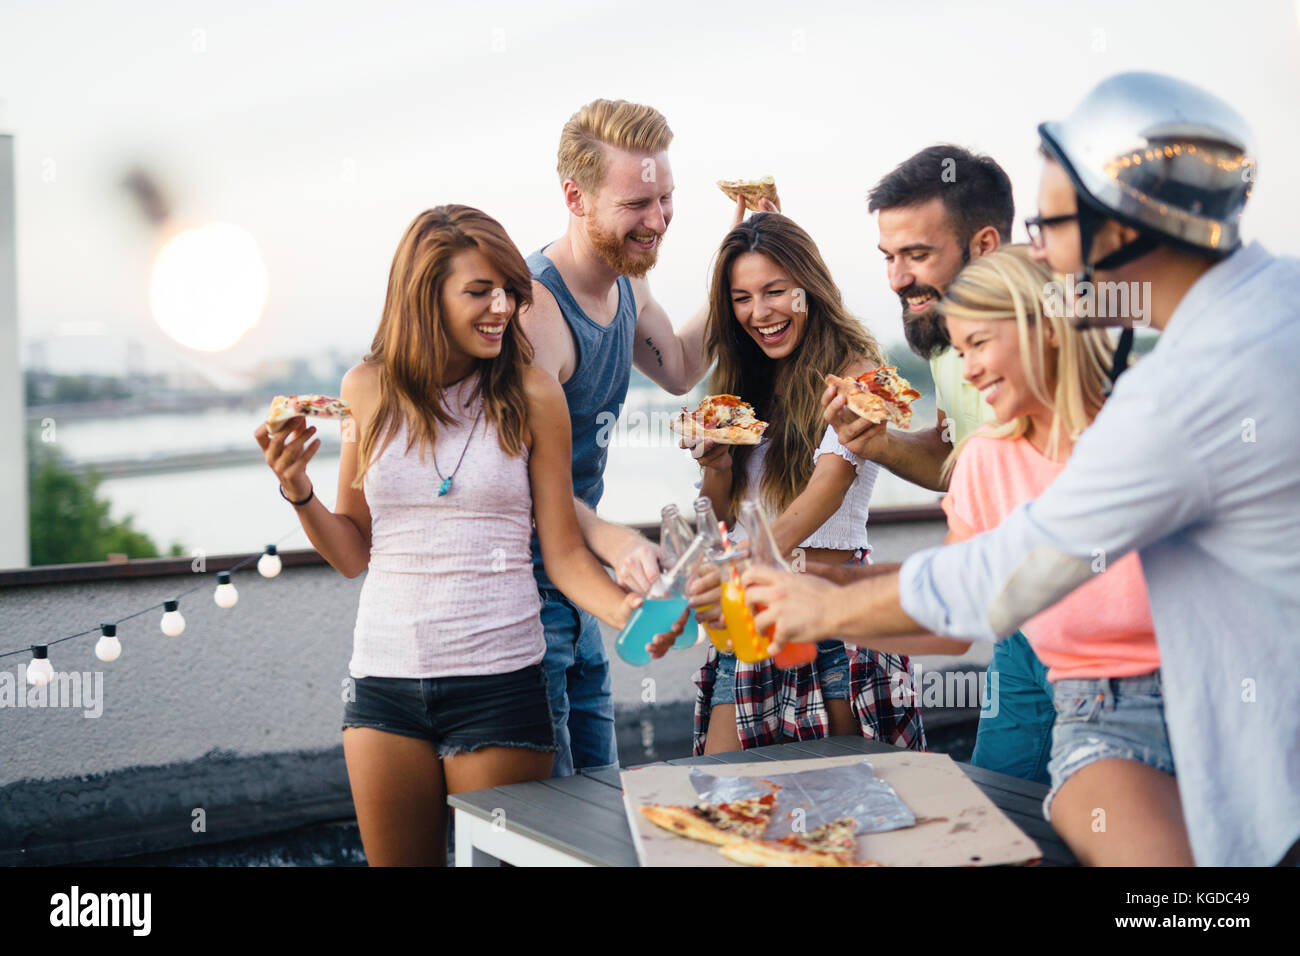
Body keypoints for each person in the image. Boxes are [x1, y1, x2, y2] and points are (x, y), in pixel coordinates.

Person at [741, 72, 1300, 867]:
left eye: (1051, 224)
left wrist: (816, 607)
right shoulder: (1273, 306)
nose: (1039, 247)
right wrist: (816, 586)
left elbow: (1015, 569)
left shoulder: (1186, 388)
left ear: (1123, 225)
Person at [253, 205, 644, 865]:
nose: (502, 307)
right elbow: (352, 552)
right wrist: (298, 490)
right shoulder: (366, 389)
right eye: (479, 291)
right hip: (383, 688)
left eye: (509, 291)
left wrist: (630, 610)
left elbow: (565, 554)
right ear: (425, 295)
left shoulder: (533, 393)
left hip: (500, 686)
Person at [519, 99, 773, 777]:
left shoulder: (629, 284)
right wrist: (615, 543)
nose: (657, 220)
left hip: (583, 580)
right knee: (545, 823)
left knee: (601, 802)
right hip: (517, 597)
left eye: (666, 198)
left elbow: (681, 367)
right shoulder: (535, 313)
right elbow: (516, 483)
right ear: (575, 196)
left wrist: (732, 266)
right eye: (638, 203)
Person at [936, 245, 1190, 864]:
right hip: (1100, 715)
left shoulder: (1158, 429)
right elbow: (947, 618)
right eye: (958, 350)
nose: (966, 371)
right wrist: (800, 594)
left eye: (978, 344)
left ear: (1045, 328)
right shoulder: (984, 462)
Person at [649, 212, 937, 755]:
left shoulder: (860, 373)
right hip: (752, 617)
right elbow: (718, 517)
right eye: (741, 298)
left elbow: (825, 491)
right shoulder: (738, 386)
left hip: (835, 619)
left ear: (808, 287)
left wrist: (733, 569)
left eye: (775, 291)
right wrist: (718, 467)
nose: (760, 313)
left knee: (847, 805)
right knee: (724, 795)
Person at [826, 146, 1057, 786]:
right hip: (1015, 638)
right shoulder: (942, 340)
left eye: (917, 255)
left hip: (1102, 646)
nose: (898, 278)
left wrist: (817, 603)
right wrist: (877, 443)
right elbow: (962, 467)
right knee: (999, 799)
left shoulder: (1068, 356)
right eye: (889, 258)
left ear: (984, 244)